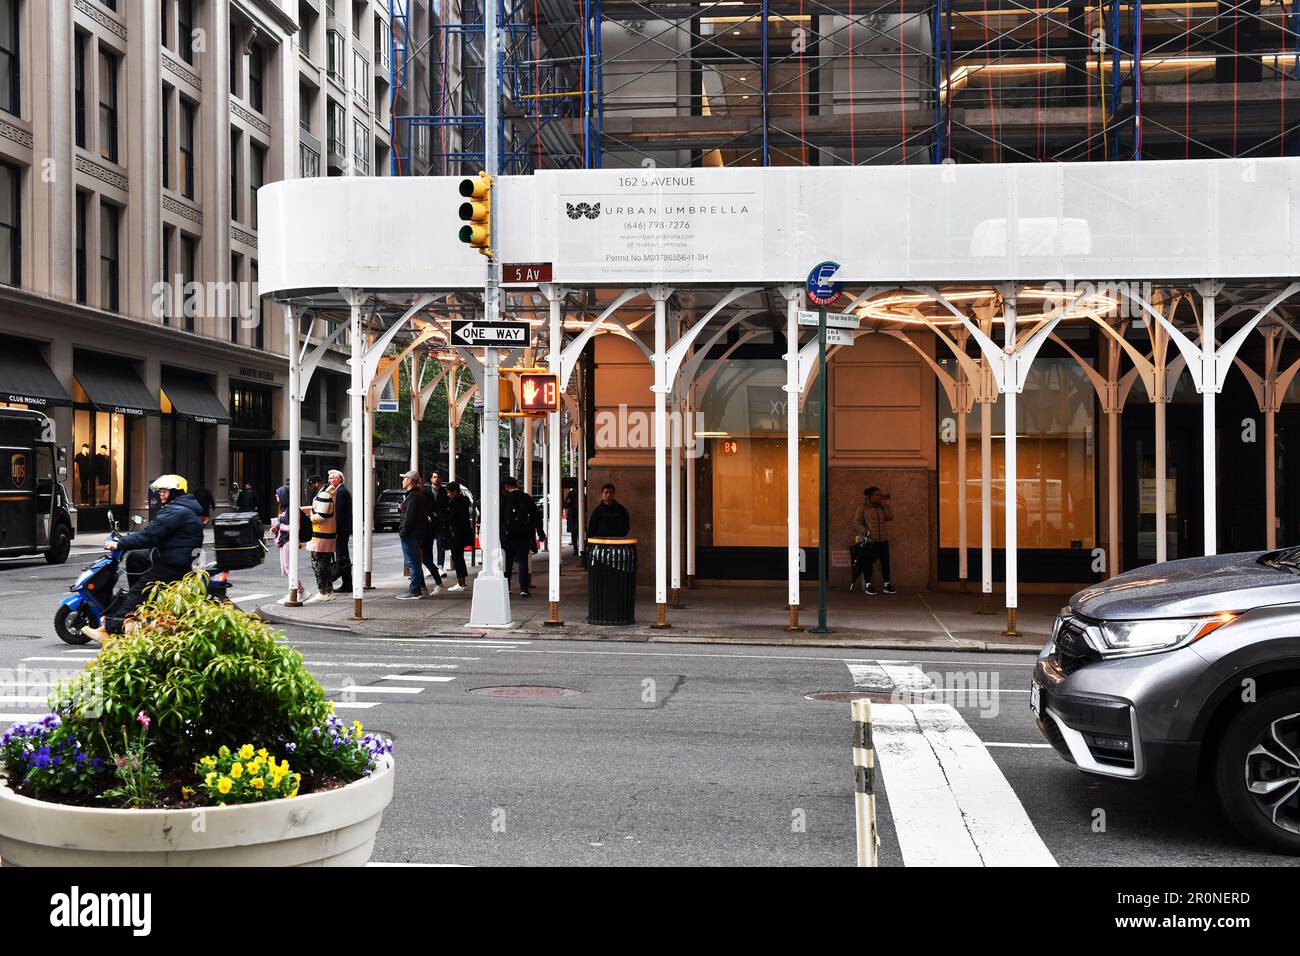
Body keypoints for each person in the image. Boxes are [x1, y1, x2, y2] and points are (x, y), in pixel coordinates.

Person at [80, 475, 204, 642]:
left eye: (165, 491)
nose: (161, 494)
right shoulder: (181, 509)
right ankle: (142, 613)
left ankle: (109, 630)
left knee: (139, 591)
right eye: (160, 491)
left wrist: (119, 544)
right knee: (136, 559)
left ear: (176, 492)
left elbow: (149, 536)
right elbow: (156, 535)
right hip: (177, 559)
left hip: (173, 564)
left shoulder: (176, 511)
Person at [501, 476, 545, 597]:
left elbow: (500, 518)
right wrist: (540, 531)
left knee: (507, 562)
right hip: (524, 534)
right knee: (523, 561)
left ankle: (507, 587)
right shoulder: (526, 497)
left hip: (508, 535)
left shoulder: (504, 498)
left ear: (506, 486)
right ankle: (524, 588)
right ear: (516, 485)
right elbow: (536, 515)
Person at [395, 471, 431, 601]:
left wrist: (402, 532)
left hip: (411, 534)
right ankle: (420, 587)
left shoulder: (412, 497)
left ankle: (414, 590)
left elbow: (409, 518)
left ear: (410, 480)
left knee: (412, 563)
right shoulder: (418, 495)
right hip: (418, 533)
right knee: (415, 561)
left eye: (404, 479)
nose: (402, 481)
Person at [853, 486, 896, 595]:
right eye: (877, 495)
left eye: (880, 495)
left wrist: (885, 503)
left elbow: (890, 517)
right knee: (868, 563)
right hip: (870, 541)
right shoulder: (862, 508)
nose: (879, 497)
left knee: (885, 562)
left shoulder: (881, 507)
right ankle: (868, 584)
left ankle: (887, 584)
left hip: (883, 540)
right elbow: (858, 522)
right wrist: (866, 532)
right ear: (869, 496)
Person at [303, 474, 337, 604]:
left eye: (310, 484)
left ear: (315, 483)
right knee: (325, 564)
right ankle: (328, 591)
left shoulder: (323, 495)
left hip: (320, 535)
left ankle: (324, 591)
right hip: (326, 534)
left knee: (318, 564)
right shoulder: (329, 493)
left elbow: (322, 515)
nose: (310, 488)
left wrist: (308, 519)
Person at [272, 498, 305, 604]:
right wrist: (275, 529)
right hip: (283, 540)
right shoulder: (284, 508)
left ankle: (298, 591)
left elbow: (295, 527)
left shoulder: (292, 510)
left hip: (289, 541)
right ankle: (295, 590)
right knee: (285, 569)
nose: (276, 496)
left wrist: (279, 526)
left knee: (288, 569)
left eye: (278, 494)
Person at [444, 482, 472, 591]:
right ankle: (462, 582)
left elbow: (451, 518)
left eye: (449, 492)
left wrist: (440, 516)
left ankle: (461, 583)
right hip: (462, 534)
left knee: (457, 558)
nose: (448, 495)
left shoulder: (456, 503)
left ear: (455, 492)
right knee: (459, 557)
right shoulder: (464, 502)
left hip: (456, 534)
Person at [329, 470, 353, 594]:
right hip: (344, 529)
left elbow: (339, 514)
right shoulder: (342, 491)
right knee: (343, 556)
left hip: (341, 530)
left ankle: (347, 584)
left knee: (342, 557)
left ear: (339, 479)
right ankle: (347, 583)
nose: (329, 480)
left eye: (332, 478)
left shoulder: (341, 492)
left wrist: (335, 530)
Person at [419, 478, 445, 594]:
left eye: (420, 483)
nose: (419, 485)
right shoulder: (418, 495)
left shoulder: (423, 496)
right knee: (423, 560)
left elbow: (432, 512)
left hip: (424, 534)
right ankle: (424, 586)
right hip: (423, 533)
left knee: (424, 560)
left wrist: (429, 517)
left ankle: (423, 587)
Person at [428, 472, 450, 568]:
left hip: (440, 522)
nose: (436, 479)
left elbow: (447, 507)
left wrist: (442, 516)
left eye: (438, 477)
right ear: (431, 479)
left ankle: (440, 565)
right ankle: (431, 566)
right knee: (429, 545)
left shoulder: (444, 492)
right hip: (429, 522)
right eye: (434, 477)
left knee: (441, 544)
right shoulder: (426, 491)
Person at [564, 487, 580, 559]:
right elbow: (566, 504)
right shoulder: (571, 494)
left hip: (576, 515)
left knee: (577, 534)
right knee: (574, 534)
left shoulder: (580, 493)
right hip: (573, 516)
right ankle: (576, 549)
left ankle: (577, 549)